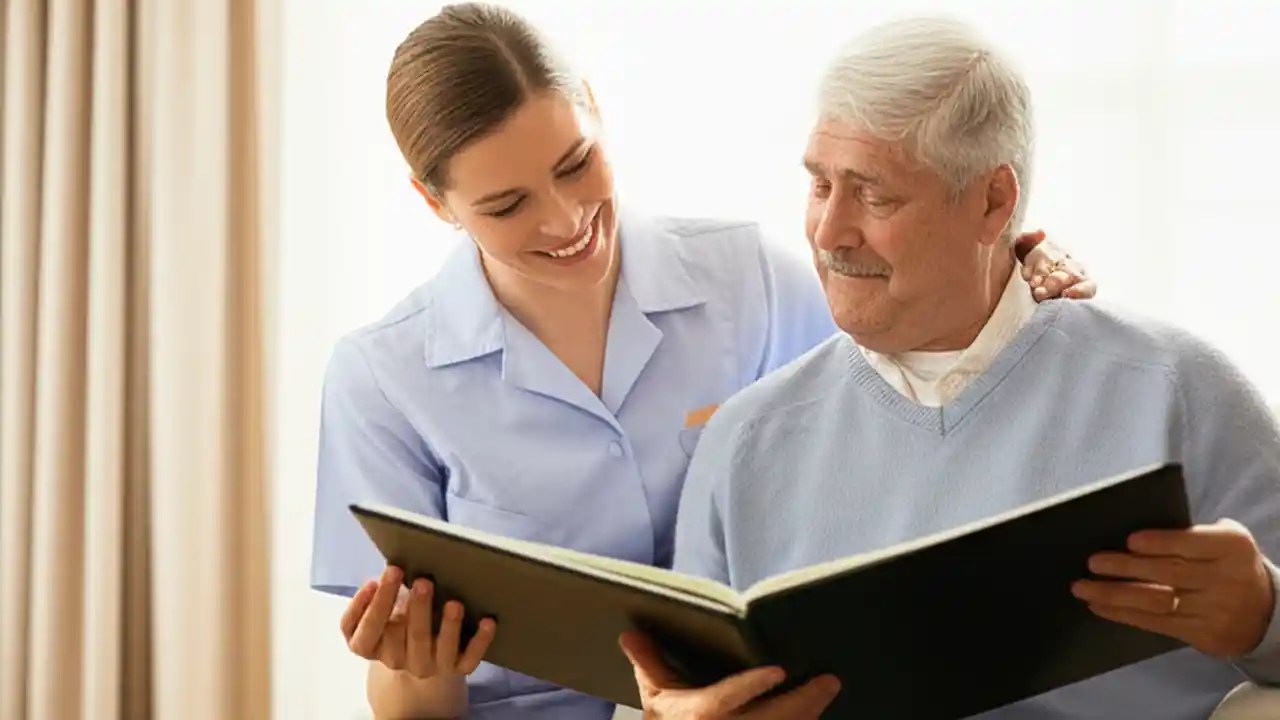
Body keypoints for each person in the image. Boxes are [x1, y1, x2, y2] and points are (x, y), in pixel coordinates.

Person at [308, 4, 1096, 719]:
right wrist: (417, 667)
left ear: (593, 105)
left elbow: (908, 363)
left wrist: (1011, 267)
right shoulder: (382, 380)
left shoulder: (744, 277)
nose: (567, 218)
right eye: (507, 206)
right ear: (434, 202)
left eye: (576, 163)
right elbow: (408, 704)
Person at [637, 15, 1280, 720]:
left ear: (993, 201)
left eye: (874, 194)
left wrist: (1264, 615)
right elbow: (662, 701)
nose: (828, 232)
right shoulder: (746, 441)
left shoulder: (1176, 393)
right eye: (821, 185)